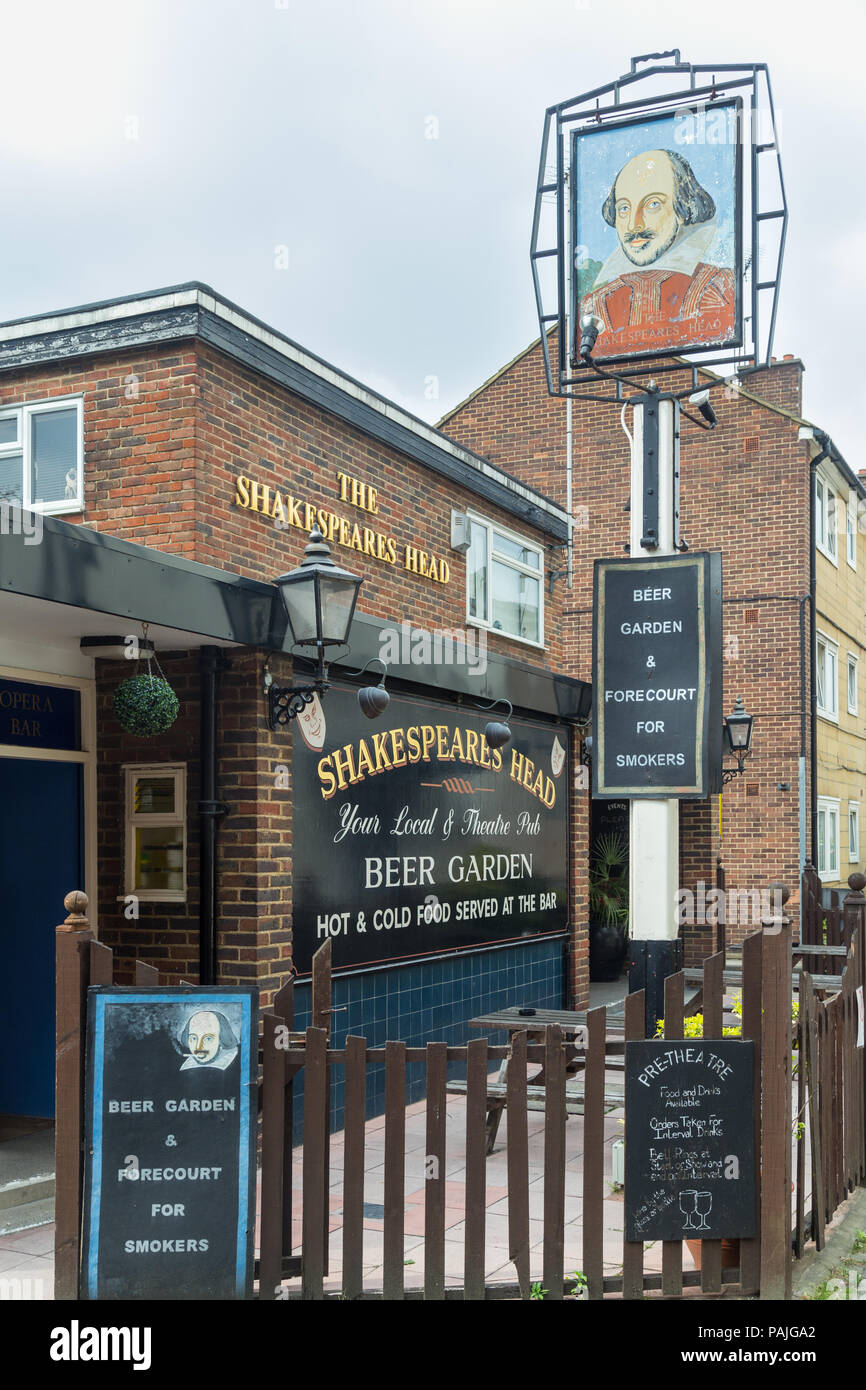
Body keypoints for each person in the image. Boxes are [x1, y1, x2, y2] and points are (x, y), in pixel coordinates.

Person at [578, 148, 735, 357]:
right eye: (624, 208)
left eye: (652, 204)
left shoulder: (717, 288)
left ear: (684, 207)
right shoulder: (593, 308)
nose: (634, 225)